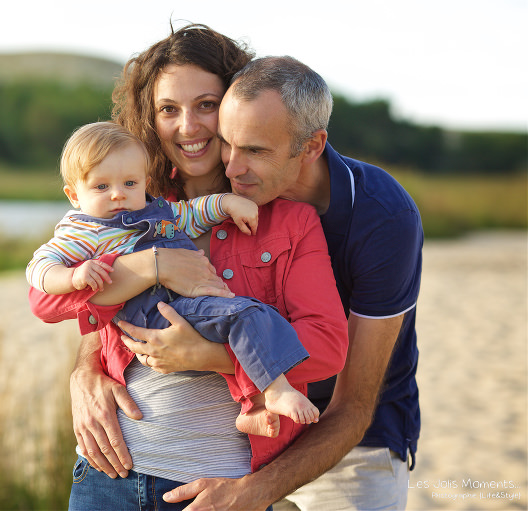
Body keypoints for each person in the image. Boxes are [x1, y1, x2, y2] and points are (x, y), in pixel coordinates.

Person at [28, 24, 348, 511]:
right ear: (148, 119)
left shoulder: (288, 222)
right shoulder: (131, 205)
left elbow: (326, 346)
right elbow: (50, 299)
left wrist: (211, 355)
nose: (189, 127)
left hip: (214, 489)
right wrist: (153, 266)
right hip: (107, 477)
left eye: (207, 105)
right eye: (168, 110)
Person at [137, 56, 423, 510]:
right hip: (247, 429)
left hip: (352, 437)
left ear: (311, 146)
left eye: (255, 151)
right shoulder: (219, 192)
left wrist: (255, 492)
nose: (232, 167)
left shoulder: (383, 219)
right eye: (228, 143)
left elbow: (353, 405)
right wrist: (85, 371)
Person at [26, 121, 320, 439]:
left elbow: (192, 213)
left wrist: (226, 203)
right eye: (101, 187)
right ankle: (275, 390)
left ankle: (253, 405)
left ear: (145, 183)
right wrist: (73, 275)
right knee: (244, 315)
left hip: (184, 304)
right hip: (159, 312)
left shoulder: (156, 211)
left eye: (129, 183)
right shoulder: (85, 231)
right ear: (74, 194)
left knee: (248, 322)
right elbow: (39, 267)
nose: (117, 195)